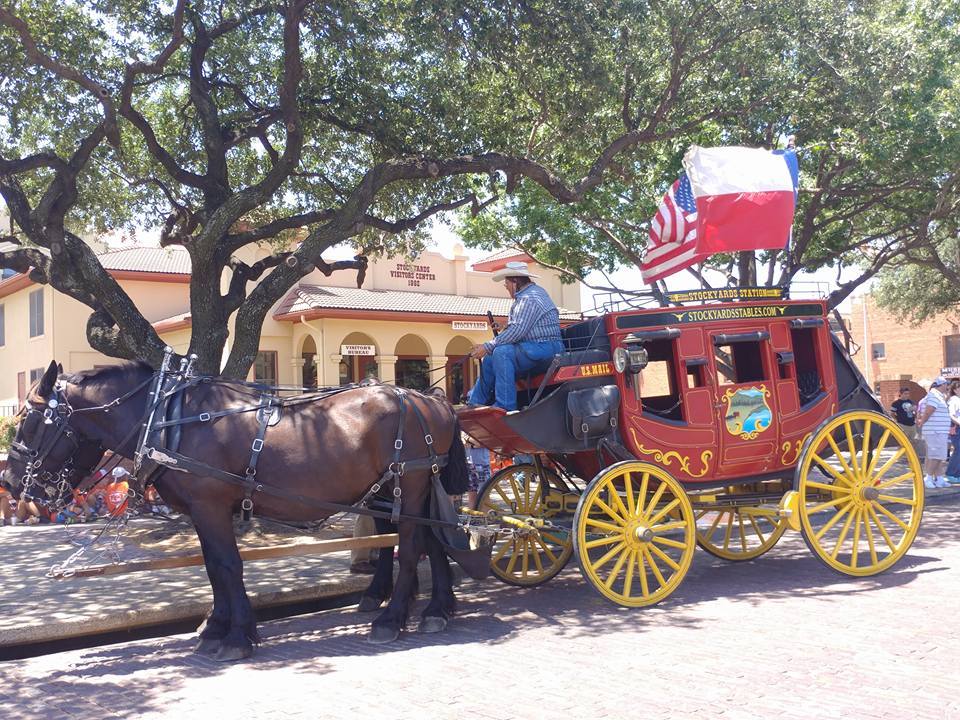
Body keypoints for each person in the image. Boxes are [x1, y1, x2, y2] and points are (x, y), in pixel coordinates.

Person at [468, 261, 564, 411]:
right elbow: (526, 326)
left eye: (506, 284)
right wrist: (505, 327)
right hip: (537, 346)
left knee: (501, 352)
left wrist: (487, 346)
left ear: (514, 282)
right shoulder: (530, 294)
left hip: (547, 347)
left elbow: (518, 331)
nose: (506, 288)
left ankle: (504, 407)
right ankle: (474, 403)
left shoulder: (529, 298)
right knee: (489, 359)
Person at [916, 376, 952, 489]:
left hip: (939, 430)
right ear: (941, 385)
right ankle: (928, 478)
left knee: (939, 455)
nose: (947, 386)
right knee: (935, 455)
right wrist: (922, 422)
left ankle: (939, 478)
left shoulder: (938, 396)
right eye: (946, 384)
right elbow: (929, 410)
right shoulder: (933, 395)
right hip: (935, 430)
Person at [463, 432, 491, 509]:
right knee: (472, 495)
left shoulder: (482, 428)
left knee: (485, 494)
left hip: (482, 464)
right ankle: (473, 518)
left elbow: (481, 442)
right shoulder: (465, 428)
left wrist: (467, 439)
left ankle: (486, 517)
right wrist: (470, 441)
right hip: (470, 464)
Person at [944, 381, 960, 484]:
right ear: (954, 390)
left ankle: (956, 473)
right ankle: (951, 473)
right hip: (957, 428)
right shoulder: (954, 400)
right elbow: (951, 415)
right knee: (958, 450)